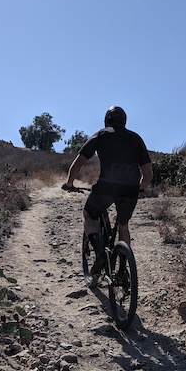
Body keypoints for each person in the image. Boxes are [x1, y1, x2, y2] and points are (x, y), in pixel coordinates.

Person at [62, 105, 153, 278]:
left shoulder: (101, 134)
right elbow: (148, 174)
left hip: (106, 188)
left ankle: (100, 254)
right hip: (131, 190)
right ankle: (122, 269)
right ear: (125, 121)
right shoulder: (136, 139)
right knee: (123, 226)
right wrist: (140, 187)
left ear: (107, 120)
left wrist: (70, 182)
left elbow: (79, 162)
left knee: (89, 214)